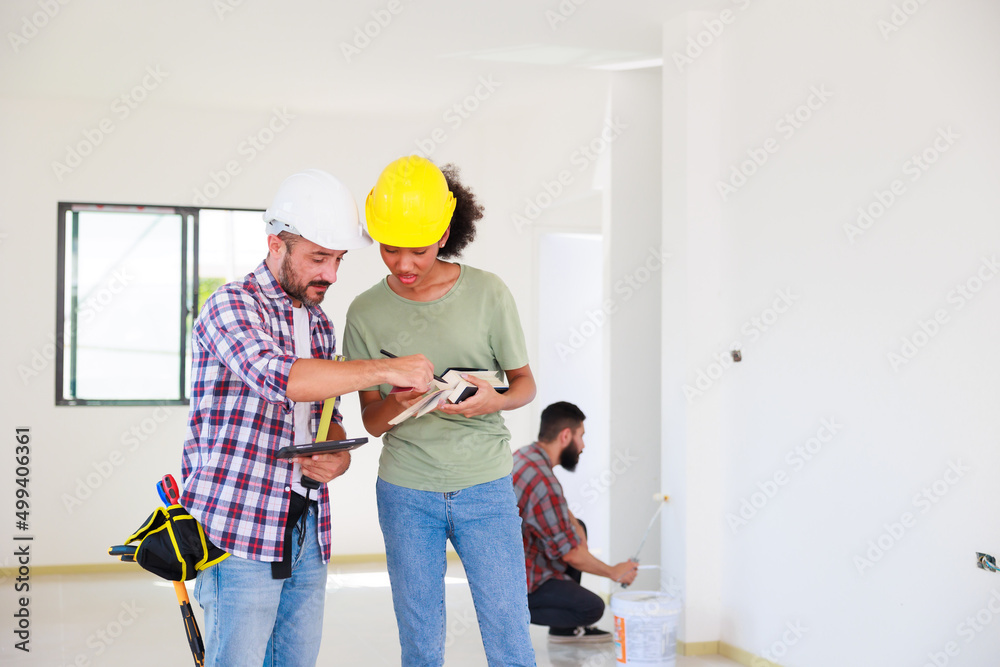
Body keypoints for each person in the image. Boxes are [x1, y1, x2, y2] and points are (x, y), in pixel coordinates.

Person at [180, 169, 435, 667]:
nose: (331, 274)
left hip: (306, 531)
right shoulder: (231, 305)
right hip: (240, 528)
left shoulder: (318, 323)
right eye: (318, 258)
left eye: (337, 259)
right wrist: (383, 368)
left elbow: (327, 418)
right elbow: (280, 377)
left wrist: (337, 456)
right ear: (276, 244)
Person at [343, 156, 537, 666]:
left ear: (445, 233)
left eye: (419, 251)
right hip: (406, 493)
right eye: (389, 249)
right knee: (421, 640)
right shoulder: (364, 312)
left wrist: (494, 400)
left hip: (486, 487)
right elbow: (370, 421)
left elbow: (524, 385)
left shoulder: (489, 293)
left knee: (508, 633)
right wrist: (398, 400)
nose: (403, 265)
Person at [512, 401, 639, 643]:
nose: (583, 445)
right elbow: (570, 554)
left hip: (519, 558)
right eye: (581, 436)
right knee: (592, 609)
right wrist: (614, 572)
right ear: (566, 435)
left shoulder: (527, 455)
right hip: (521, 580)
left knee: (578, 525)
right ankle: (512, 611)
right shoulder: (544, 482)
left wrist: (577, 527)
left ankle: (563, 628)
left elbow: (552, 509)